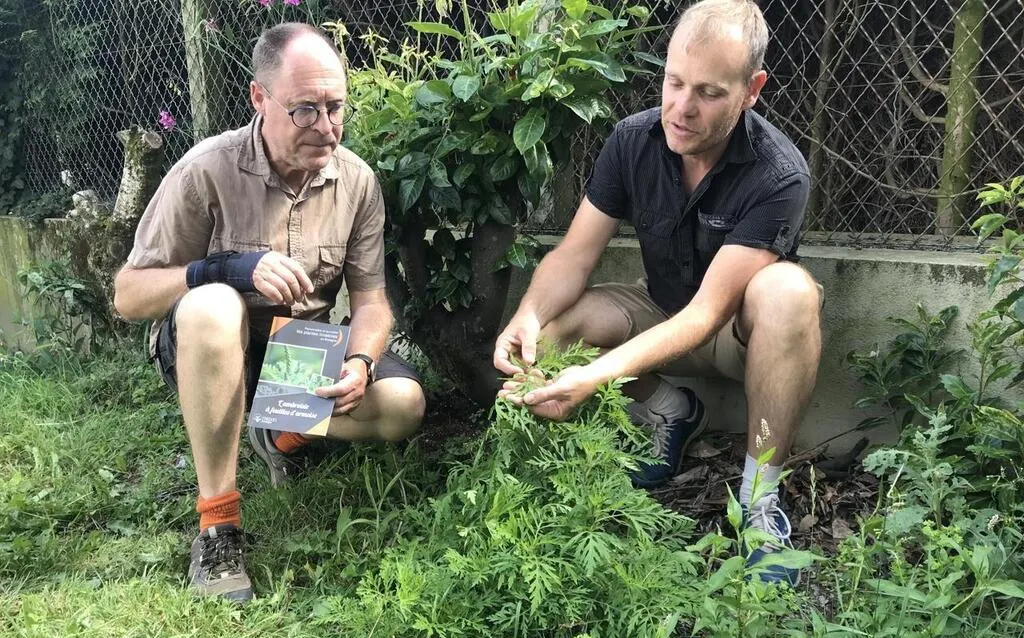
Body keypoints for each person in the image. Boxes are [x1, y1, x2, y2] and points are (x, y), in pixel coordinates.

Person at [493, 0, 820, 585]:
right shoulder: (633, 140)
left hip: (733, 334)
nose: (682, 109)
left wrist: (593, 378)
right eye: (674, 82)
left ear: (752, 90)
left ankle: (760, 500)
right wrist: (527, 317)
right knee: (554, 331)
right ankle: (669, 412)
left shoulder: (779, 173)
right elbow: (574, 254)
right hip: (658, 309)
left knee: (788, 291)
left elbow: (705, 315)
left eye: (709, 93)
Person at [113, 22, 426, 603]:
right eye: (305, 109)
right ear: (260, 98)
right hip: (206, 349)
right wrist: (221, 269)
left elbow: (373, 301)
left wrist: (359, 359)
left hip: (296, 357)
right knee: (212, 305)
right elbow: (127, 294)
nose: (326, 127)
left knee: (403, 404)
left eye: (336, 107)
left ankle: (279, 431)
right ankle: (218, 524)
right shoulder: (206, 170)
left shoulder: (357, 182)